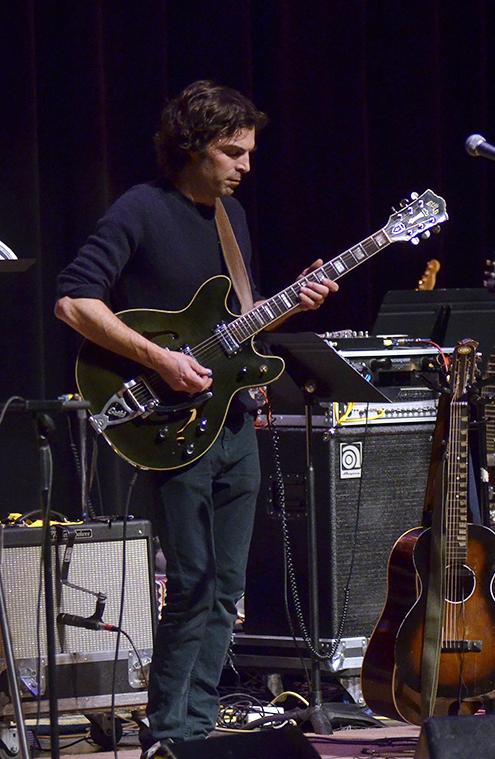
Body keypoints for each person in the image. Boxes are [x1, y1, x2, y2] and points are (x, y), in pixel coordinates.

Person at [54, 81, 337, 754]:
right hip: (169, 425)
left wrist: (292, 303)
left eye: (249, 152)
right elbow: (72, 302)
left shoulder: (230, 220)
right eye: (231, 152)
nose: (245, 165)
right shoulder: (139, 211)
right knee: (191, 581)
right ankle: (171, 730)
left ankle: (198, 723)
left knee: (227, 586)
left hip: (232, 421)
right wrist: (158, 359)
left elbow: (233, 323)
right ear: (191, 149)